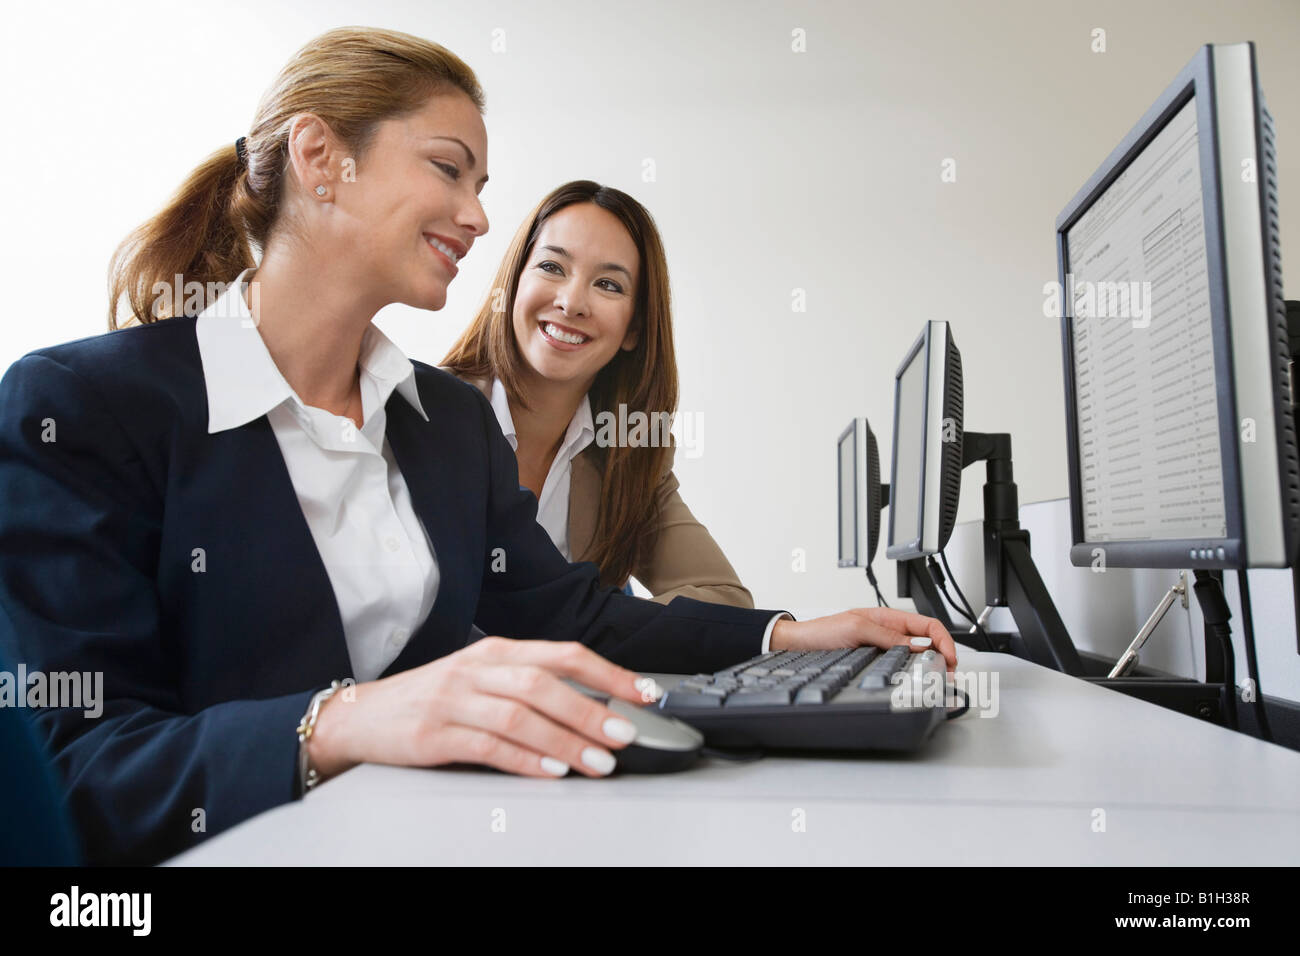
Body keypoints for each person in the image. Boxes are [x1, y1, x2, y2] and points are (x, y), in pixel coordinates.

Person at [0, 26, 956, 866]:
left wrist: (787, 635)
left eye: (482, 183)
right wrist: (348, 722)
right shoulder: (81, 408)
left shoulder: (444, 425)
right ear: (320, 157)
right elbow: (78, 770)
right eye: (448, 169)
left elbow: (576, 614)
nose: (480, 216)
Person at [443, 181, 752, 607]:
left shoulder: (629, 449)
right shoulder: (425, 412)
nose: (571, 303)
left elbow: (723, 597)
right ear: (513, 285)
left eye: (608, 284)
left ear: (635, 330)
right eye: (552, 267)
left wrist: (599, 628)